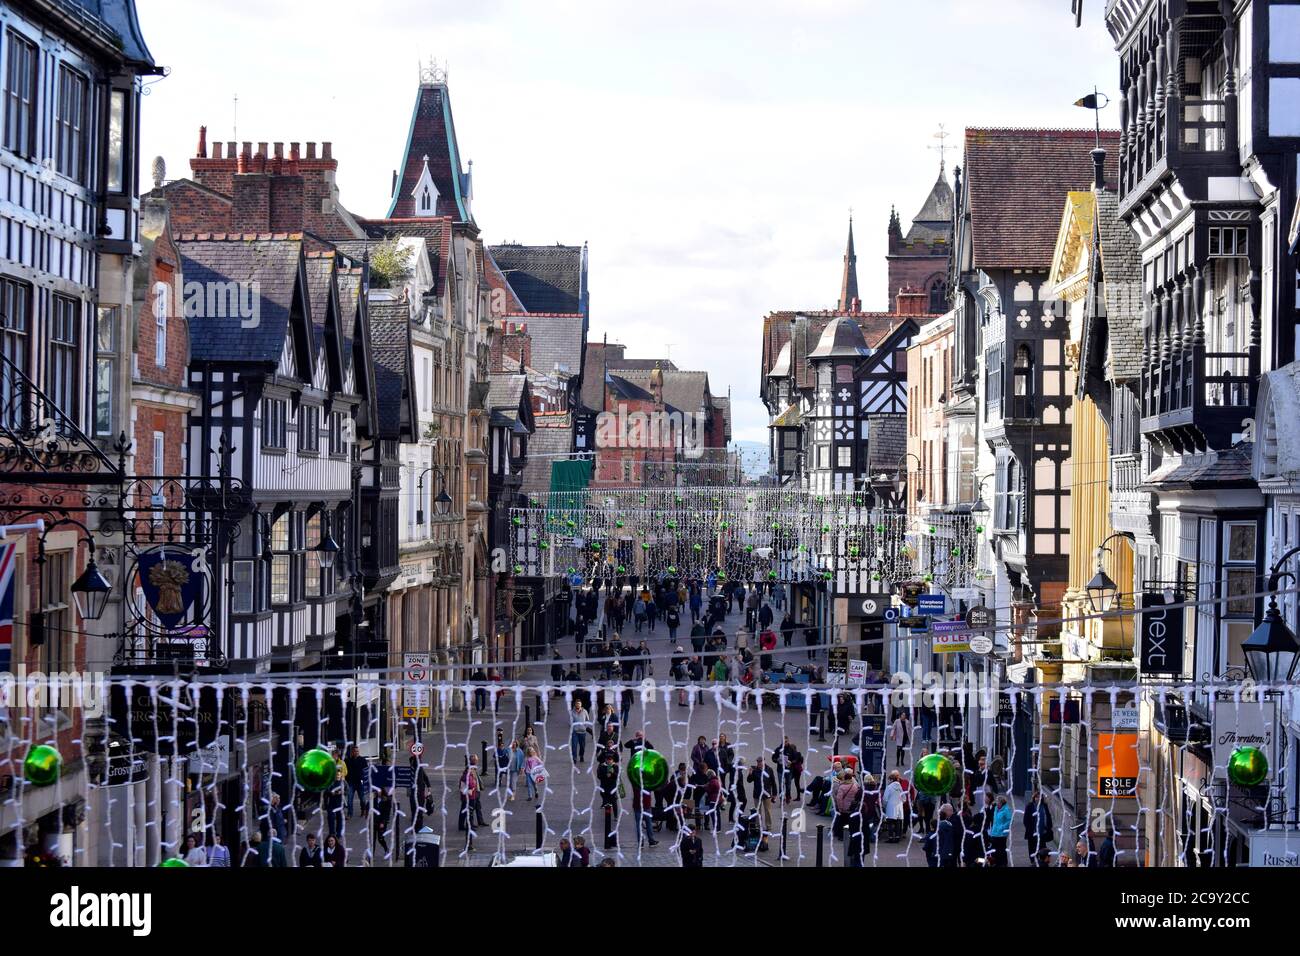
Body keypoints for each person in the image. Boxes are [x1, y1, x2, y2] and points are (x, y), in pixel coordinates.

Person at [747, 757, 778, 850]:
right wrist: (750, 773)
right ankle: (758, 826)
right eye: (758, 762)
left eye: (760, 762)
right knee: (758, 811)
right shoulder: (755, 770)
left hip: (767, 794)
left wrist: (774, 794)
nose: (759, 763)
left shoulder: (769, 769)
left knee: (767, 810)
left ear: (764, 761)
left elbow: (773, 782)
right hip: (757, 794)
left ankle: (768, 826)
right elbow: (749, 780)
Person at [1024, 789, 1053, 864]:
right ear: (1034, 798)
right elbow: (1026, 820)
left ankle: (1042, 862)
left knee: (1042, 849)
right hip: (1033, 833)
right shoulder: (1030, 806)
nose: (1038, 798)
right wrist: (1031, 830)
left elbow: (1048, 817)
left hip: (1042, 833)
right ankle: (1033, 862)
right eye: (1036, 797)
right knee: (1032, 849)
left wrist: (1048, 827)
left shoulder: (1044, 806)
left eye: (1039, 797)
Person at [460, 756, 486, 830]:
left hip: (475, 792)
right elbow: (470, 782)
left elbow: (476, 779)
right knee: (468, 810)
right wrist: (474, 786)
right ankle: (466, 825)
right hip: (470, 793)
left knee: (477, 807)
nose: (477, 761)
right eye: (476, 760)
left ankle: (479, 821)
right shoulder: (469, 770)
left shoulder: (473, 768)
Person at [344, 745, 369, 818]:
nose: (356, 752)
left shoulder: (362, 760)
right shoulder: (348, 760)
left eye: (357, 751)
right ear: (352, 752)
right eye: (355, 751)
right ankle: (349, 814)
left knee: (362, 798)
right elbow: (345, 771)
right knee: (349, 799)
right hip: (351, 782)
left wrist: (365, 781)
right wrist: (346, 780)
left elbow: (366, 771)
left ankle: (363, 810)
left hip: (360, 782)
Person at [882, 770, 907, 843]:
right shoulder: (900, 787)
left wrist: (884, 805)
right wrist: (899, 802)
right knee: (898, 823)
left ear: (891, 780)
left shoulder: (889, 787)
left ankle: (890, 837)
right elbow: (904, 798)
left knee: (890, 823)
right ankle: (897, 837)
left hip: (890, 807)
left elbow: (885, 798)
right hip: (899, 807)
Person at [989, 794, 1012, 867]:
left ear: (1001, 803)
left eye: (997, 802)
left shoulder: (1006, 809)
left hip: (1002, 834)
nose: (996, 803)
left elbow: (1009, 820)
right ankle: (996, 862)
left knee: (1002, 849)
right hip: (994, 833)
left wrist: (1003, 827)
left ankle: (1003, 863)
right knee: (994, 849)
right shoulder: (995, 808)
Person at [570, 700, 592, 764]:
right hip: (575, 732)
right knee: (574, 745)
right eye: (577, 704)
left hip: (582, 732)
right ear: (575, 705)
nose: (578, 705)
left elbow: (587, 720)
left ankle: (581, 755)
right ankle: (574, 758)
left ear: (581, 705)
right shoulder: (572, 712)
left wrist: (585, 727)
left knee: (582, 746)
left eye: (579, 704)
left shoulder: (585, 711)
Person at [936, 803, 958, 867]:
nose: (941, 814)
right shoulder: (945, 821)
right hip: (947, 849)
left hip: (952, 849)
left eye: (942, 812)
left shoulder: (952, 821)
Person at [373, 787, 393, 855]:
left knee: (380, 838)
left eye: (379, 791)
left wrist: (383, 822)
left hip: (381, 822)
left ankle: (386, 848)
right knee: (372, 839)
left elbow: (386, 813)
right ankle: (371, 855)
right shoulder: (373, 799)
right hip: (374, 821)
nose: (378, 792)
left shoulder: (386, 800)